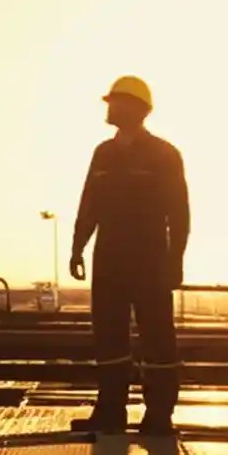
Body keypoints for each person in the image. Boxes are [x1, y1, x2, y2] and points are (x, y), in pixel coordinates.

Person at [69, 75, 189, 435]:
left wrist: (175, 260)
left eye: (116, 102)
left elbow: (179, 213)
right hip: (108, 258)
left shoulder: (164, 154)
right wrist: (78, 246)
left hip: (150, 259)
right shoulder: (103, 153)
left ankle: (159, 415)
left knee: (157, 338)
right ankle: (110, 410)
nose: (110, 108)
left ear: (138, 108)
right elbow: (89, 202)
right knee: (109, 336)